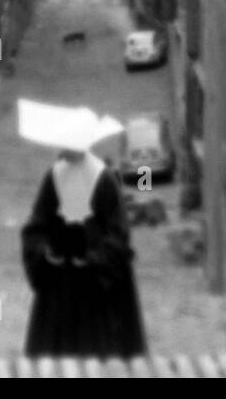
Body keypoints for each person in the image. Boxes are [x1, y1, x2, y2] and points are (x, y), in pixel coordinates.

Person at [18, 99, 147, 358]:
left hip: (96, 287)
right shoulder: (53, 176)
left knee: (98, 353)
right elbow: (36, 226)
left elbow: (118, 233)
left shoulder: (104, 179)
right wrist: (45, 253)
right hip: (59, 284)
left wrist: (94, 259)